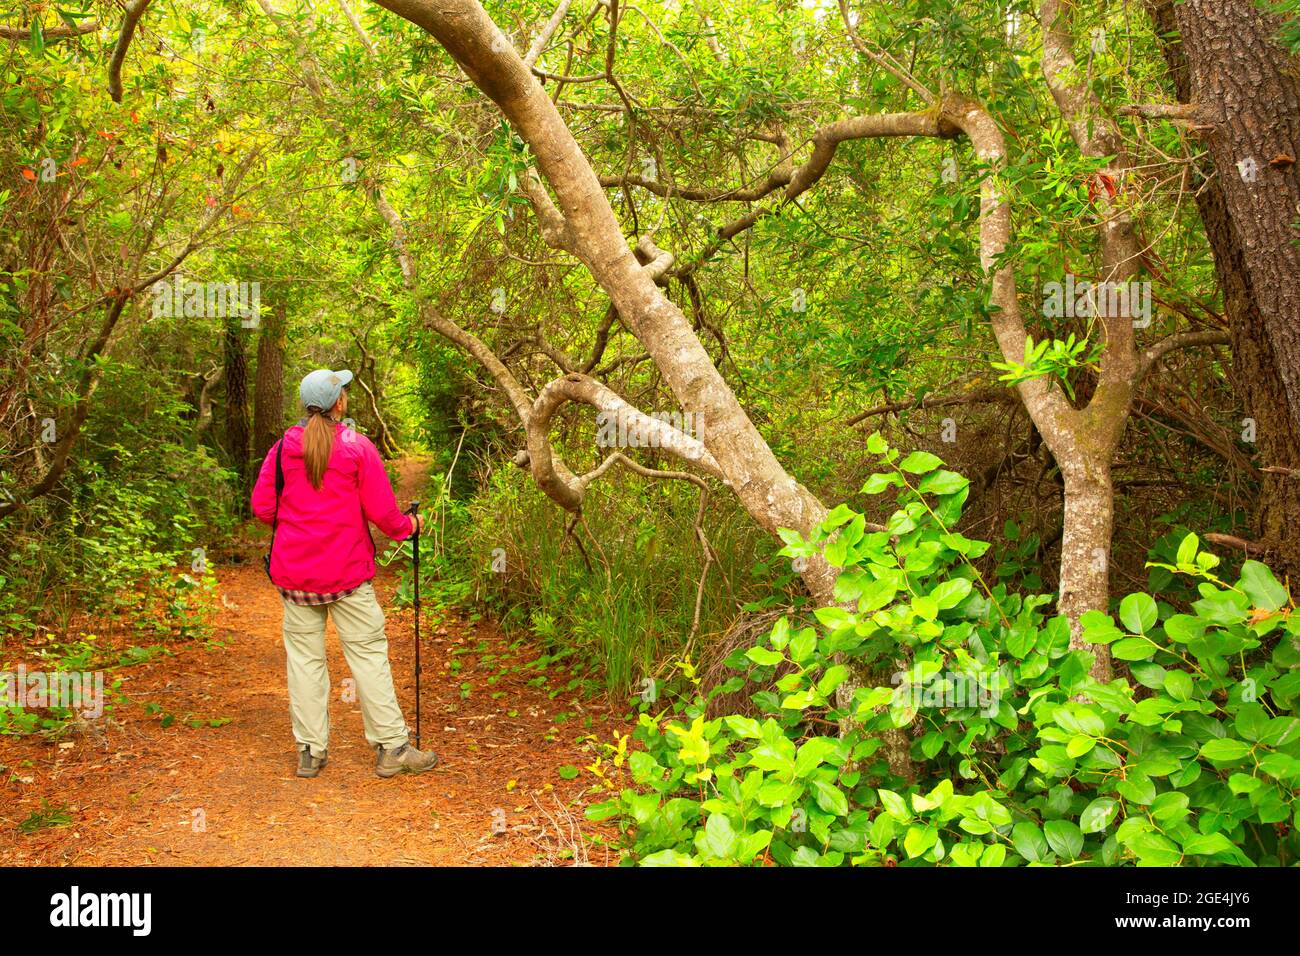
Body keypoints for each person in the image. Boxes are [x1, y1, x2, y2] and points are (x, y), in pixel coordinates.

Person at [251, 368, 437, 779]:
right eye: (345, 393)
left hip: (296, 577)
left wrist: (299, 526)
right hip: (348, 575)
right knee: (368, 657)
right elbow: (385, 515)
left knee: (304, 662)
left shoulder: (282, 448)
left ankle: (310, 752)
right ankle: (392, 748)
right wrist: (411, 528)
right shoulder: (357, 446)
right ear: (339, 403)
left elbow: (263, 509)